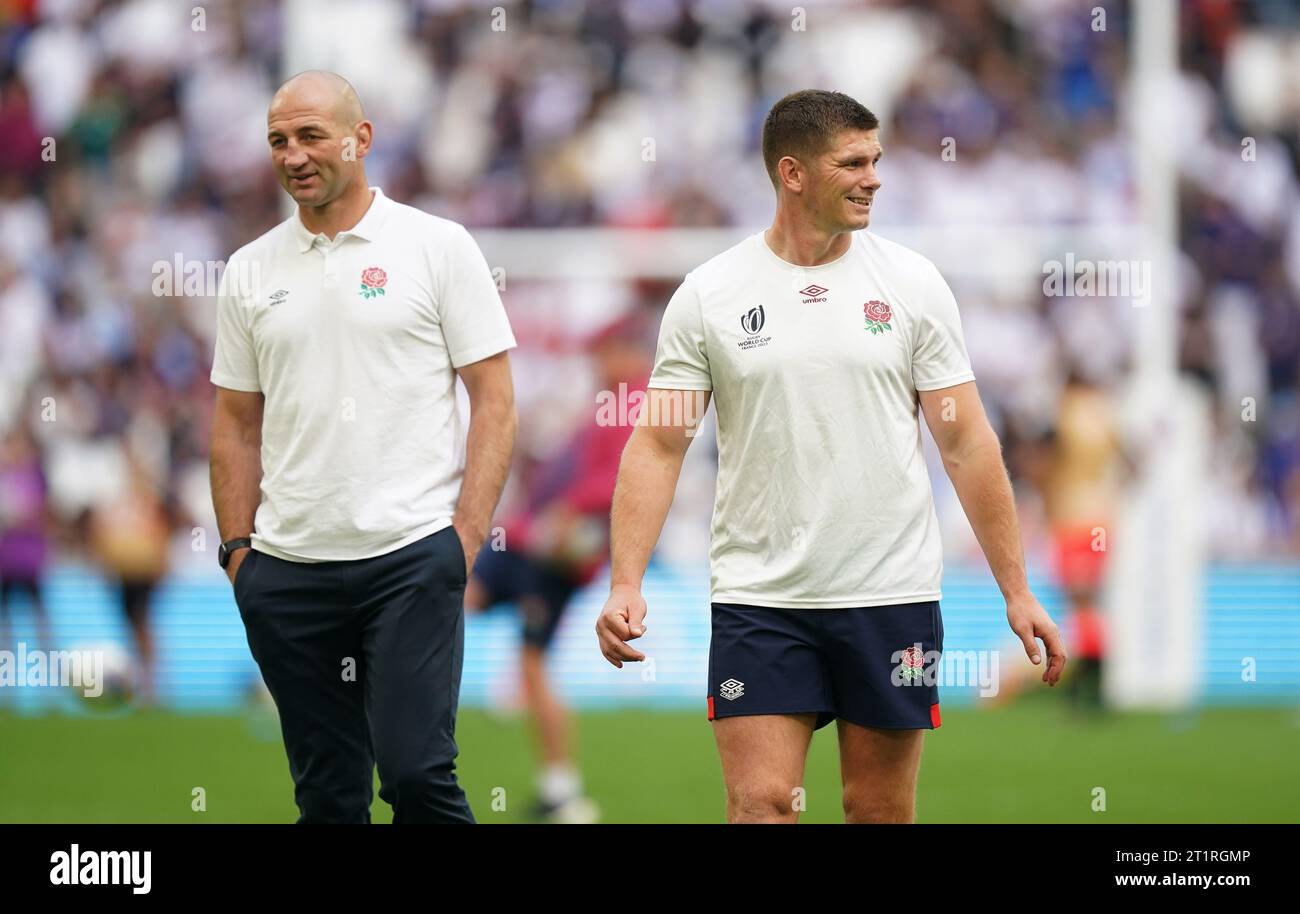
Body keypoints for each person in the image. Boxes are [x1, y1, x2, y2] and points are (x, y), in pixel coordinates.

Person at [595, 89, 1067, 824]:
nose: (874, 177)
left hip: (890, 594)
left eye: (876, 160)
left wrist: (1016, 588)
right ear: (793, 173)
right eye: (853, 162)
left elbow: (966, 442)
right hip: (760, 598)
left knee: (876, 811)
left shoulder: (913, 286)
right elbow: (658, 444)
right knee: (763, 805)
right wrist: (626, 579)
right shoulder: (709, 295)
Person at [208, 71, 517, 824]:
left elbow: (496, 398)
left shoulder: (437, 246)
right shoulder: (250, 268)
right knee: (327, 798)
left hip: (410, 557)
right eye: (279, 140)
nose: (294, 155)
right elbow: (234, 423)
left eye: (311, 134)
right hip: (286, 571)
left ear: (362, 138)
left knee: (416, 776)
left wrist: (465, 537)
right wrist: (239, 553)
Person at [465, 311, 651, 822]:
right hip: (534, 545)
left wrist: (566, 511)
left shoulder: (632, 403)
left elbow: (622, 478)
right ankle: (558, 788)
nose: (595, 363)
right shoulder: (610, 406)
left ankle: (562, 788)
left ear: (625, 355)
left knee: (524, 657)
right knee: (455, 601)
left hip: (551, 556)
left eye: (603, 352)